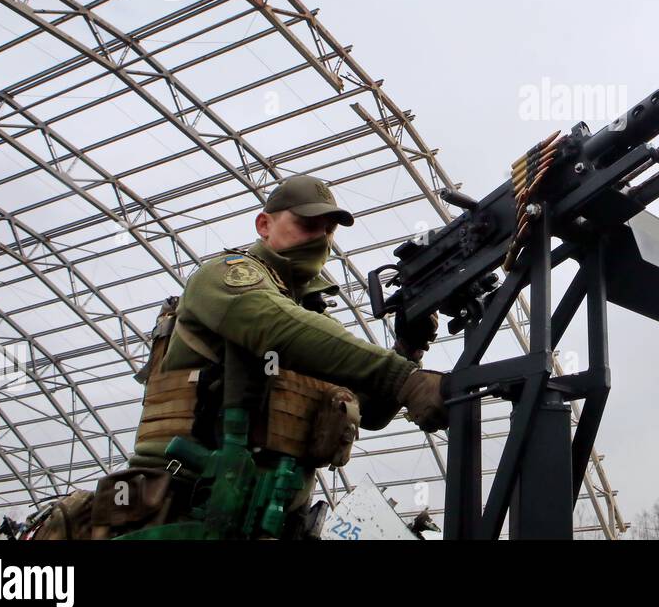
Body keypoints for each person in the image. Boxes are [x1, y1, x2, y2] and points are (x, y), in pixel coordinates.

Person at [118, 173, 446, 537]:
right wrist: (403, 377)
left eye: (328, 231)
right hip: (181, 512)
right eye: (307, 224)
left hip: (262, 523)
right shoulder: (225, 278)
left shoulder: (313, 324)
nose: (320, 239)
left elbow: (368, 412)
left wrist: (409, 349)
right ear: (264, 224)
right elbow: (278, 327)